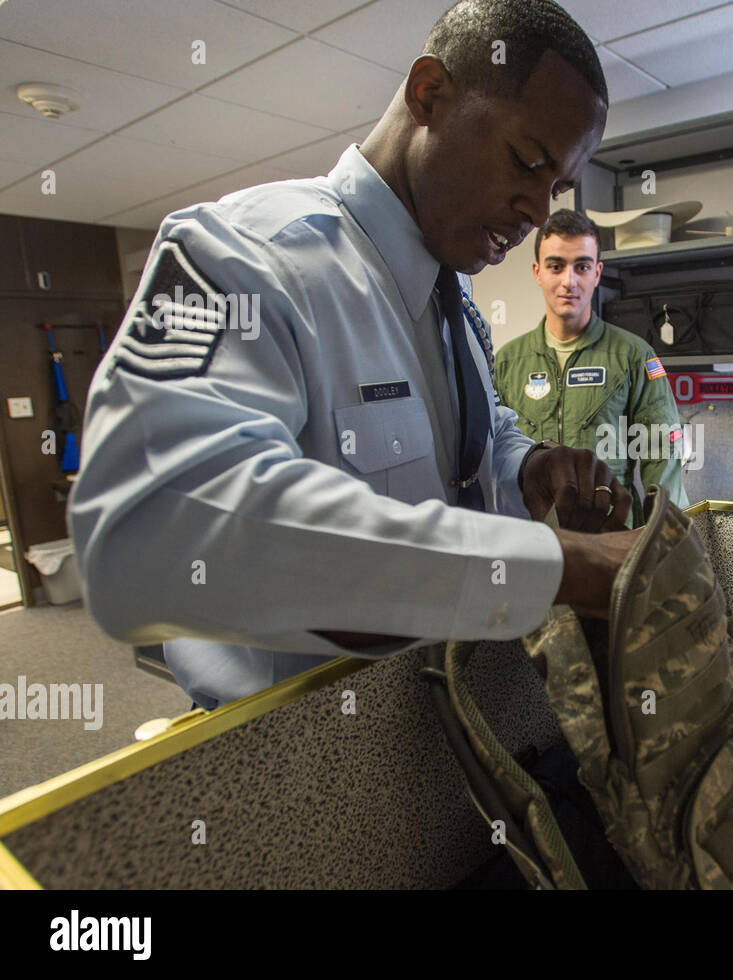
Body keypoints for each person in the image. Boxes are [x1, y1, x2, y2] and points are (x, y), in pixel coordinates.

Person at [68, 0, 637, 710]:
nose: (534, 210)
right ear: (430, 94)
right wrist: (562, 569)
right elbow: (151, 534)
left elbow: (473, 441)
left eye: (553, 189)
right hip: (301, 760)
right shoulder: (236, 256)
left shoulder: (452, 300)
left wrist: (526, 465)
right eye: (526, 162)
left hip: (449, 733)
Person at [494, 209, 689, 526]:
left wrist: (664, 539)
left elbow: (662, 455)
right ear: (537, 272)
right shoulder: (506, 362)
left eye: (581, 266)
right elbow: (490, 456)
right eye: (556, 266)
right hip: (532, 538)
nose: (568, 281)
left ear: (597, 273)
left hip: (610, 533)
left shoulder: (633, 356)